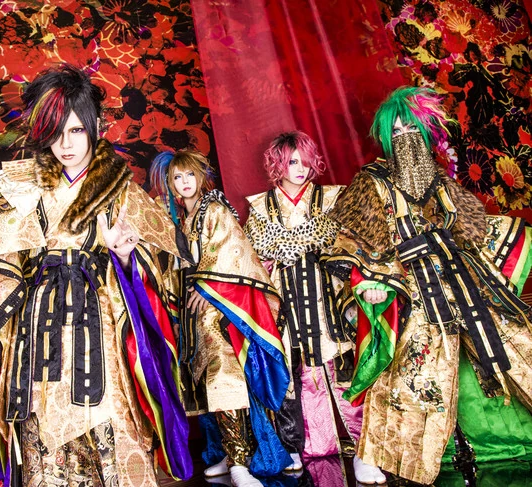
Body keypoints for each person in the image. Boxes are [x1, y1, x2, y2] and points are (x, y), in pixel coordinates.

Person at [0, 64, 192, 487]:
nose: (65, 145)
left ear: (94, 128)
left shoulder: (120, 188)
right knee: (41, 430)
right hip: (38, 324)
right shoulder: (24, 186)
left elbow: (160, 263)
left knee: (110, 419)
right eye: (56, 133)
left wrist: (125, 256)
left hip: (100, 316)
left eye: (76, 131)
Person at [326, 86, 532, 484]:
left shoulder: (439, 179)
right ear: (386, 137)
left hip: (463, 278)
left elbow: (474, 227)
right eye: (396, 131)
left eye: (410, 129)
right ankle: (376, 455)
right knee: (413, 367)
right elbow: (353, 239)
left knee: (518, 343)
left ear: (424, 133)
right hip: (414, 284)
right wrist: (373, 279)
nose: (404, 137)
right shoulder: (372, 182)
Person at [243, 131, 386, 484]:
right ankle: (297, 445)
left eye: (306, 161)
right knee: (294, 375)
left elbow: (350, 245)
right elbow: (251, 259)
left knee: (345, 369)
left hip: (328, 298)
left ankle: (364, 451)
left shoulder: (331, 199)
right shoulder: (261, 207)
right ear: (278, 164)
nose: (301, 169)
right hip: (286, 301)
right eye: (293, 161)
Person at [149, 150, 292, 487]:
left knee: (225, 378)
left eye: (190, 175)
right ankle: (226, 452)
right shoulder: (180, 219)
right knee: (202, 385)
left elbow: (232, 253)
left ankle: (242, 462)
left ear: (201, 177)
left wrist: (207, 285)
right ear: (170, 183)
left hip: (220, 311)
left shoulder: (214, 210)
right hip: (191, 316)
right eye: (177, 178)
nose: (185, 182)